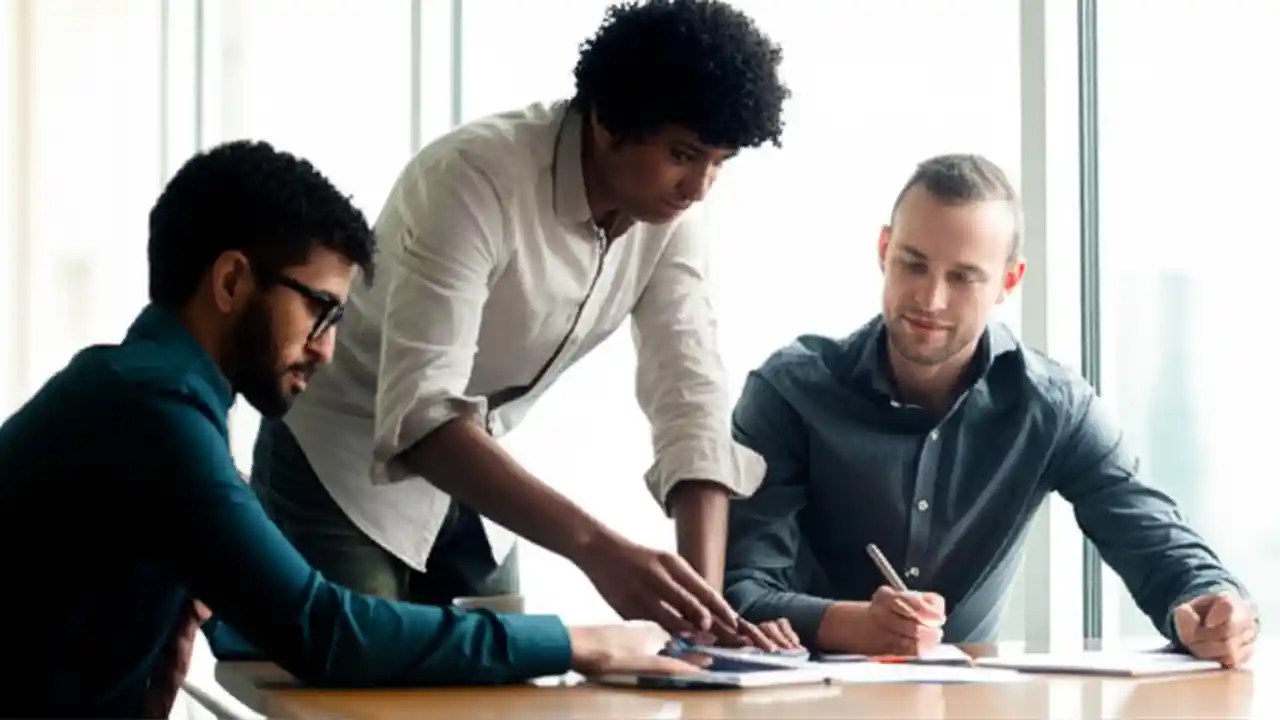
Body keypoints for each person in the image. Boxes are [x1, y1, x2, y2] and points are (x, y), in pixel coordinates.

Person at [0, 141, 702, 718]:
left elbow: (265, 620)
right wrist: (580, 643)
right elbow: (326, 632)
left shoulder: (139, 392)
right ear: (231, 282)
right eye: (320, 311)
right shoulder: (153, 414)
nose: (327, 349)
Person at [250, 0, 797, 648]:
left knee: (507, 681)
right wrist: (596, 548)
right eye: (684, 154)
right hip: (340, 455)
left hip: (471, 464)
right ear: (609, 119)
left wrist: (704, 616)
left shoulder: (669, 218)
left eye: (720, 160)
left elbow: (691, 397)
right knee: (358, 680)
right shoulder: (474, 178)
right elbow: (422, 413)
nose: (699, 186)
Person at [723, 153, 1260, 667]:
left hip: (970, 704)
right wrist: (852, 625)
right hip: (800, 701)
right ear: (884, 250)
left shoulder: (1052, 406)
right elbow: (739, 589)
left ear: (1008, 281)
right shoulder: (790, 390)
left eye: (963, 277)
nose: (930, 299)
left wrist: (1215, 607)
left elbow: (1157, 545)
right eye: (913, 264)